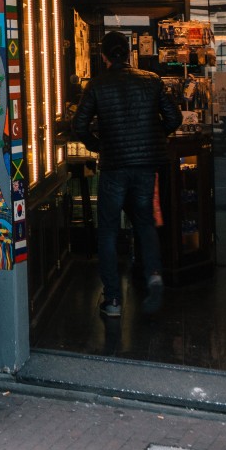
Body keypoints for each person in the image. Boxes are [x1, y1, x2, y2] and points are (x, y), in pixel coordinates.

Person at [73, 31, 181, 317]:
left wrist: (99, 145)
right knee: (144, 221)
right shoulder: (152, 80)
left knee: (107, 230)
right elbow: (174, 118)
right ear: (130, 54)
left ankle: (113, 301)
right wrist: (152, 138)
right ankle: (154, 274)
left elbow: (79, 126)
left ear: (104, 56)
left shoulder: (96, 85)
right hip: (146, 166)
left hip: (114, 166)